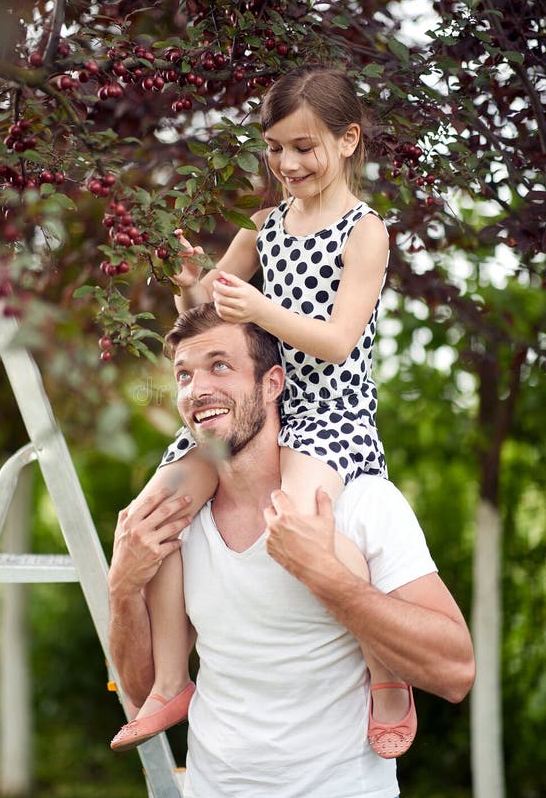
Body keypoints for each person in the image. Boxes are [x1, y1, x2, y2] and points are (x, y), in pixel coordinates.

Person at [111, 64, 410, 755]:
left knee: (303, 518)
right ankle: (167, 683)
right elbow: (207, 313)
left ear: (346, 141)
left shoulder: (365, 233)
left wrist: (261, 308)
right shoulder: (264, 226)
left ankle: (385, 671)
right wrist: (187, 278)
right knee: (159, 510)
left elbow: (337, 341)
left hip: (330, 410)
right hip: (258, 407)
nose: (287, 163)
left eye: (303, 146)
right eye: (276, 148)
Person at [108, 305, 476, 798]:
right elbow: (142, 690)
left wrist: (329, 578)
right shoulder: (176, 522)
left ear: (273, 382)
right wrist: (122, 587)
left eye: (220, 366)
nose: (197, 388)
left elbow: (456, 672)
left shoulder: (360, 502)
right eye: (184, 374)